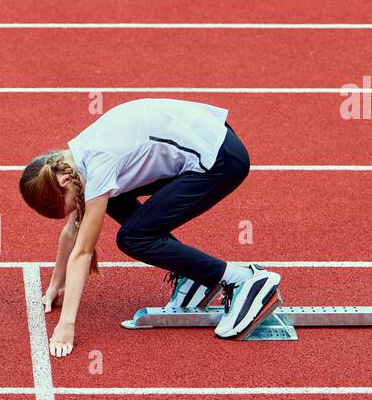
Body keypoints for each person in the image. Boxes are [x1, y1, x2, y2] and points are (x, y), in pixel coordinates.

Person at [19, 98, 282, 356]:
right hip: (207, 141)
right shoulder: (75, 160)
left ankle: (243, 279)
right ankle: (194, 275)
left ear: (63, 180)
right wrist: (55, 286)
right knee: (113, 200)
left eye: (67, 204)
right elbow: (72, 230)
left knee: (133, 238)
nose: (75, 209)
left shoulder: (100, 162)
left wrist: (66, 326)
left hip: (221, 161)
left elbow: (83, 252)